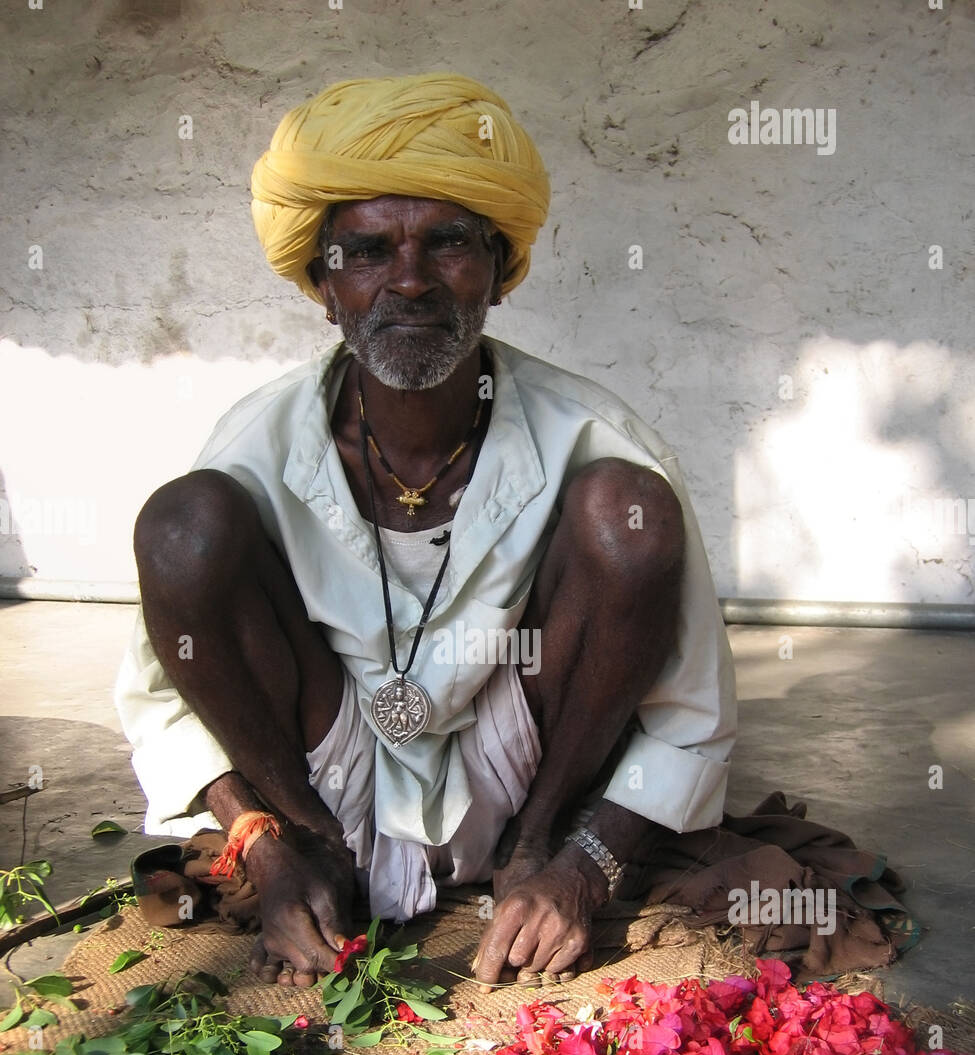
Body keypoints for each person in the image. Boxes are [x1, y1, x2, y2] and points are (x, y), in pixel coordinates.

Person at [115, 72, 736, 990]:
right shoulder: (256, 442)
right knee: (183, 524)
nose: (408, 281)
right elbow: (166, 701)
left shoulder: (592, 436)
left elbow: (691, 717)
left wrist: (581, 865)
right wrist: (265, 843)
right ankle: (320, 853)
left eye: (447, 243)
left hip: (532, 779)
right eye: (366, 252)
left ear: (496, 270)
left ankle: (526, 856)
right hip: (316, 780)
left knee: (625, 512)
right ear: (324, 286)